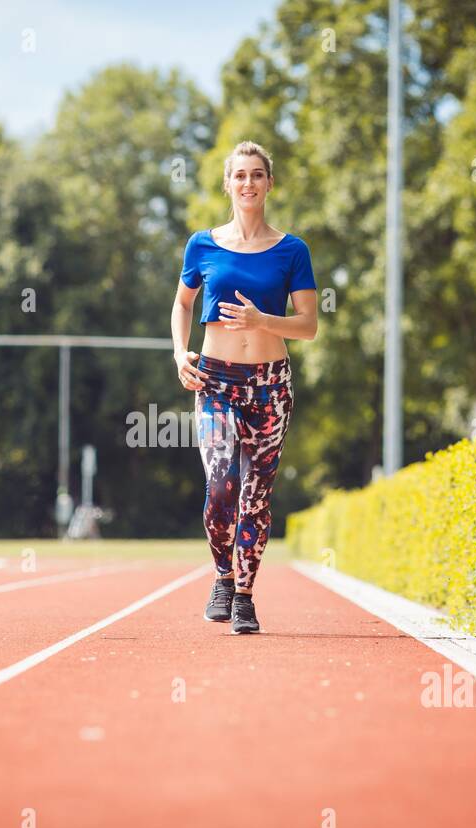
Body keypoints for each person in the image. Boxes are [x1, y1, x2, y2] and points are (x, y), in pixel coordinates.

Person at [170, 140, 318, 634]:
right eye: (240, 175)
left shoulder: (292, 250)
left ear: (269, 183)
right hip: (215, 380)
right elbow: (183, 304)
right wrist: (179, 352)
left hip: (270, 387)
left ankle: (245, 598)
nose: (249, 183)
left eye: (257, 174)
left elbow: (308, 326)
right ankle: (222, 574)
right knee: (220, 488)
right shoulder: (203, 245)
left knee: (255, 495)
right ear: (228, 184)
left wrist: (262, 319)